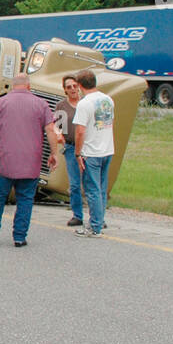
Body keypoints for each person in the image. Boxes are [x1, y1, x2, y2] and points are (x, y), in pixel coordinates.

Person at [0, 74, 59, 247]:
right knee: (25, 199)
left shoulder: (2, 102)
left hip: (6, 160)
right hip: (31, 162)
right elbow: (51, 130)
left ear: (13, 86)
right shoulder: (41, 104)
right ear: (28, 86)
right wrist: (54, 153)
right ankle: (19, 237)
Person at [72, 69, 114, 238]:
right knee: (102, 188)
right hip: (107, 148)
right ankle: (100, 219)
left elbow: (80, 131)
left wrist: (78, 153)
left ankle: (94, 225)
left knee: (92, 189)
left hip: (91, 151)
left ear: (80, 85)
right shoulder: (108, 100)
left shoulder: (84, 103)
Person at [54, 74, 84, 226]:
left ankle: (97, 216)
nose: (72, 89)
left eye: (74, 86)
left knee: (91, 183)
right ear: (65, 90)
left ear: (79, 86)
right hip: (71, 147)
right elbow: (57, 126)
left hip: (88, 148)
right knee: (74, 184)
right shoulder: (61, 106)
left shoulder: (86, 103)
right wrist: (59, 135)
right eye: (69, 87)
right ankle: (77, 215)